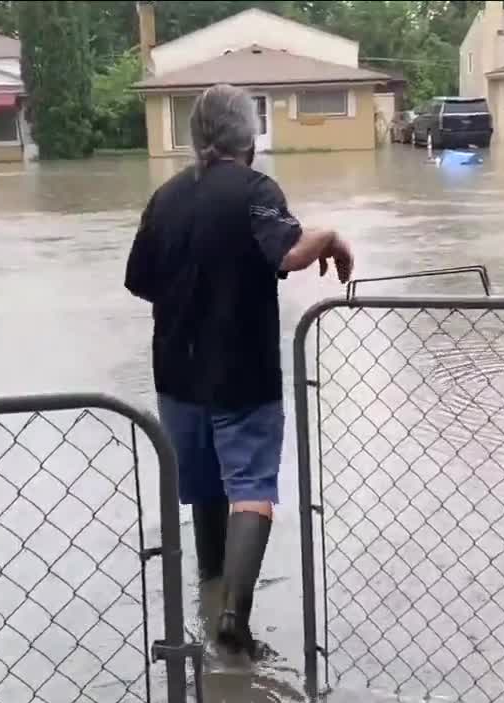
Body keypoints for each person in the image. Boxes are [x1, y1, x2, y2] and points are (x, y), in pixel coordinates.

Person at [124, 84, 353, 656]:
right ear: (247, 135)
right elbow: (288, 253)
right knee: (250, 488)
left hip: (177, 374)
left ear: (195, 136)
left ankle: (208, 594)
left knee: (202, 488)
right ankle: (233, 619)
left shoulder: (165, 197)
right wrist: (326, 236)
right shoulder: (256, 190)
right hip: (244, 373)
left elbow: (140, 281)